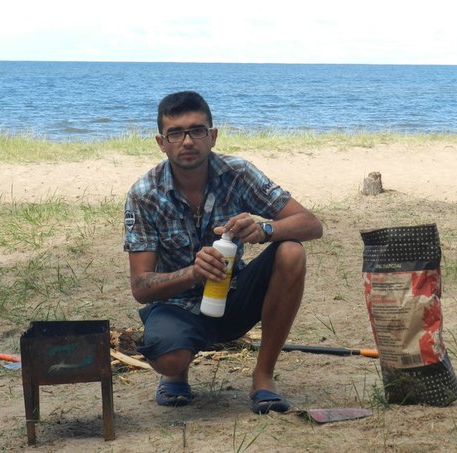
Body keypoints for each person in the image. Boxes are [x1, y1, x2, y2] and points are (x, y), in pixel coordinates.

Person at [123, 91, 323, 414]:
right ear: (161, 143)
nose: (188, 141)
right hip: (176, 307)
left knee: (291, 252)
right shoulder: (144, 194)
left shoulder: (237, 173)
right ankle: (176, 372)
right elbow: (140, 287)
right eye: (176, 133)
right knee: (169, 357)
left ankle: (263, 376)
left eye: (197, 130)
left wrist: (264, 230)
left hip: (232, 296)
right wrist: (193, 273)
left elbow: (311, 224)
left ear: (212, 136)